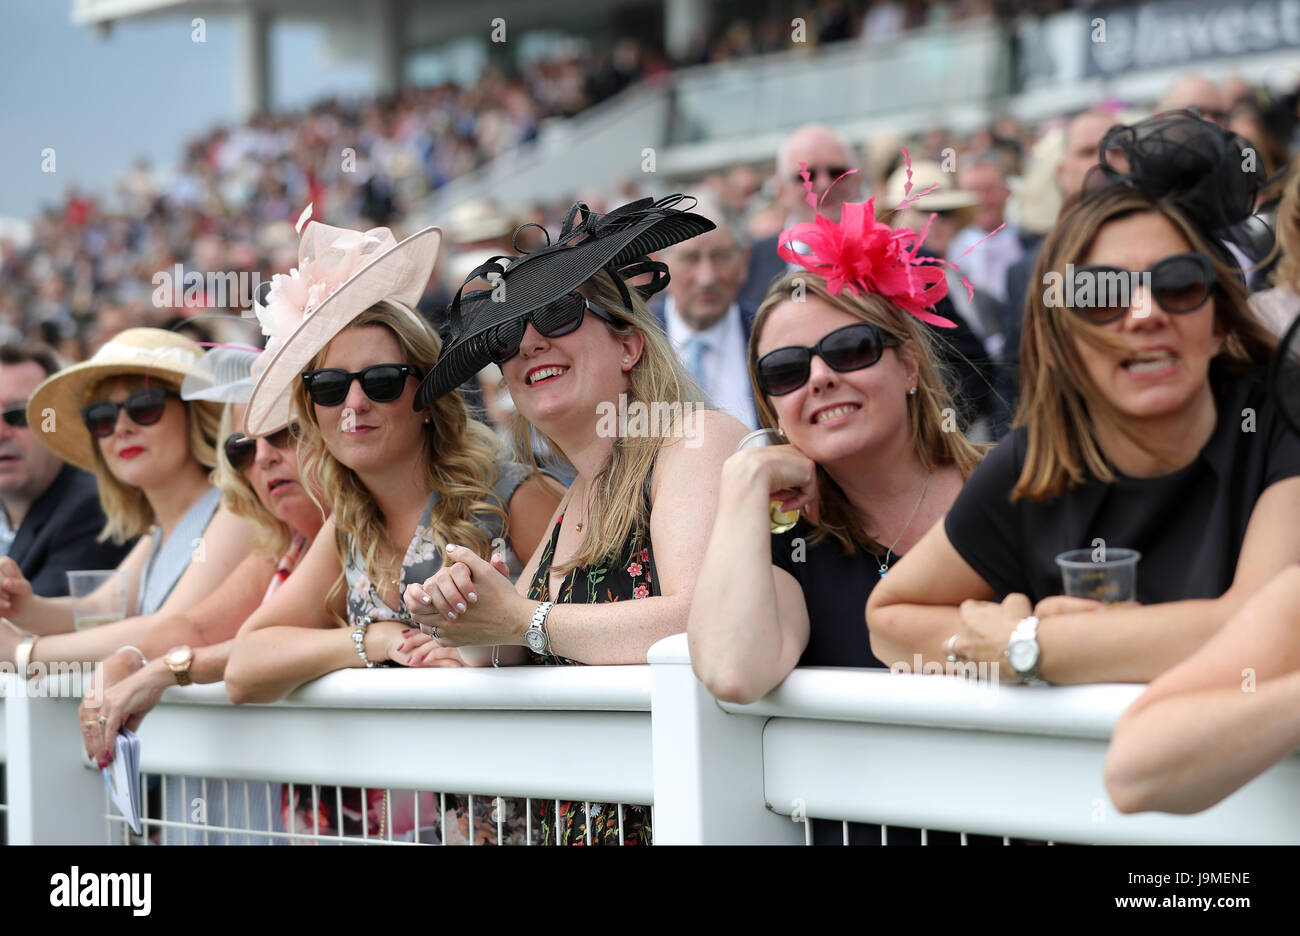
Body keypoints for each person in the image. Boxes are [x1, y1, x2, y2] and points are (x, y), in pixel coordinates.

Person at [867, 114, 1300, 687]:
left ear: (1220, 319)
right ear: (1063, 336)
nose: (1146, 314)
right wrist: (997, 635)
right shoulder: (1035, 459)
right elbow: (888, 621)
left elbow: (1267, 635)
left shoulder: (1281, 414)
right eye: (1103, 293)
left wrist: (1033, 646)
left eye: (1178, 284)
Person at [406, 194, 748, 844]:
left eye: (559, 313)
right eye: (506, 337)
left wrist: (521, 619)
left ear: (628, 344)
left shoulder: (695, 440)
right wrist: (465, 616)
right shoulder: (577, 495)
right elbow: (519, 647)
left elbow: (701, 622)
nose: (529, 342)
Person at [224, 218, 562, 844]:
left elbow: (585, 635)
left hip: (531, 817)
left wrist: (488, 654)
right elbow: (246, 666)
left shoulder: (514, 496)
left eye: (379, 383)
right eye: (329, 387)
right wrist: (373, 640)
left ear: (428, 395)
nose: (353, 406)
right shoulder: (349, 527)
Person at [687, 196, 986, 843]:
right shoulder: (790, 548)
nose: (819, 377)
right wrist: (744, 480)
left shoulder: (1011, 488)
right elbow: (733, 672)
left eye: (849, 349)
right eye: (786, 371)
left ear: (908, 364)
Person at [5, 329, 253, 675]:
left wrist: (24, 652)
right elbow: (96, 609)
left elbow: (168, 630)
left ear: (194, 414)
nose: (121, 427)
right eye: (102, 417)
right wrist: (22, 605)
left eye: (144, 406)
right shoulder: (159, 530)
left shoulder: (238, 507)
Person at [998, 110, 1120, 432]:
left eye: (1116, 148)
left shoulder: (1172, 244)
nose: (1104, 160)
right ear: (1062, 172)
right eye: (1087, 151)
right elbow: (1016, 375)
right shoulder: (1024, 271)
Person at [0, 342, 133, 591]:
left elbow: (34, 624)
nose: (1, 433)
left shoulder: (91, 508)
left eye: (18, 415)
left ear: (54, 423)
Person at [654, 195, 759, 429]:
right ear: (661, 264)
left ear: (744, 261)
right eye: (690, 259)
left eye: (720, 257)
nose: (707, 278)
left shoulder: (768, 334)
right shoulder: (632, 341)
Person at [740, 124, 863, 308]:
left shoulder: (901, 256)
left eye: (837, 172)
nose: (824, 184)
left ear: (857, 181)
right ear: (781, 190)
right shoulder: (746, 265)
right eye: (807, 176)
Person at [947, 153, 1022, 304]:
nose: (982, 200)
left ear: (1007, 192)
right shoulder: (949, 250)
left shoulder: (1028, 242)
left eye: (989, 190)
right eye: (972, 192)